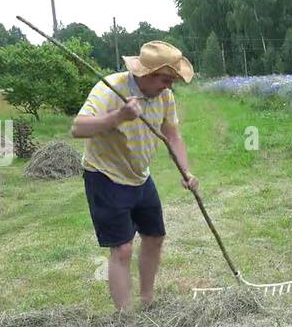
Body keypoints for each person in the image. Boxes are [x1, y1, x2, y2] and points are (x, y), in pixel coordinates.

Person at [72, 41, 199, 311]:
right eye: (166, 80)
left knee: (154, 236)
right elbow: (78, 128)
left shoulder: (164, 97)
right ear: (146, 74)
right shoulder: (110, 88)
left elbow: (172, 135)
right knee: (123, 249)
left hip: (140, 176)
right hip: (106, 176)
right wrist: (119, 116)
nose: (169, 86)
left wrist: (186, 171)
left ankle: (147, 300)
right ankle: (126, 317)